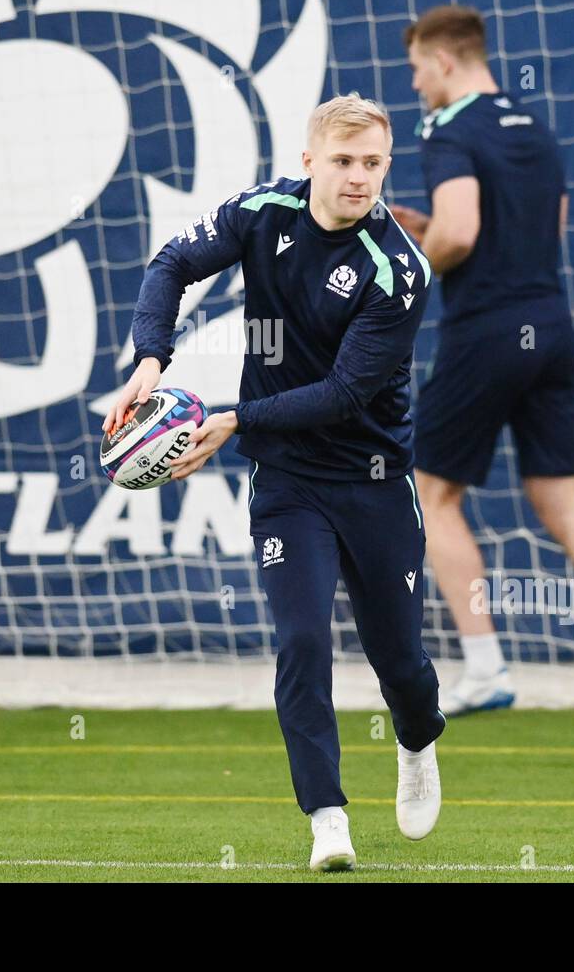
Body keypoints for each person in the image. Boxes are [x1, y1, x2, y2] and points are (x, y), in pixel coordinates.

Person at [104, 94, 445, 871]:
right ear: (309, 163)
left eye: (373, 164)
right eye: (343, 162)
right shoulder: (262, 214)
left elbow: (344, 396)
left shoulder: (399, 271)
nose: (358, 178)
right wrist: (151, 360)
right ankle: (327, 817)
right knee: (300, 641)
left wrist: (229, 421)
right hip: (289, 479)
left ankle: (418, 740)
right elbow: (171, 264)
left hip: (374, 479)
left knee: (401, 664)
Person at [392, 6, 574, 718]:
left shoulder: (447, 129)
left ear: (445, 61)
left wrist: (413, 261)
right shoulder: (536, 128)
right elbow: (541, 231)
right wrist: (432, 231)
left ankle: (485, 666)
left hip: (487, 329)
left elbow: (460, 230)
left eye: (418, 67)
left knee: (431, 493)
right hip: (550, 324)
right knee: (561, 498)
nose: (416, 82)